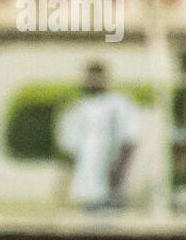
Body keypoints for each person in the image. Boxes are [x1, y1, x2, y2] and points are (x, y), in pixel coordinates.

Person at [56, 61, 140, 210]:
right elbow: (70, 152)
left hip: (113, 186)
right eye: (90, 77)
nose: (94, 81)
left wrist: (119, 172)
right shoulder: (77, 109)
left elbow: (129, 141)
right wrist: (66, 183)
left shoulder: (119, 104)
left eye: (98, 77)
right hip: (88, 189)